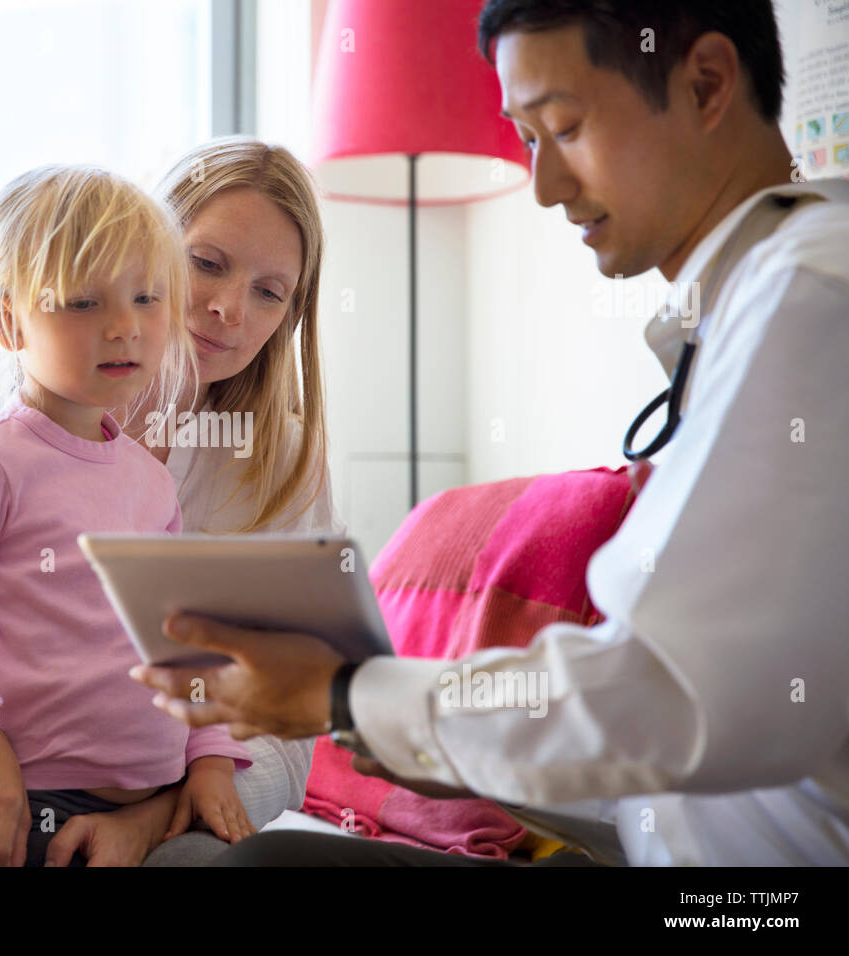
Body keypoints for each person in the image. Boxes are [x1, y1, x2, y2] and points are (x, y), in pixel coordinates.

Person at [132, 0, 849, 866]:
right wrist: (422, 738)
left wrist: (353, 696)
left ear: (705, 84)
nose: (544, 186)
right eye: (527, 139)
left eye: (564, 128)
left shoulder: (811, 300)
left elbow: (680, 699)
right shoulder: (752, 306)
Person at [0, 137, 348, 866]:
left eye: (270, 291)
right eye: (207, 264)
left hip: (155, 814)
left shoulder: (273, 460)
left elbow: (288, 719)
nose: (227, 309)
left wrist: (152, 820)